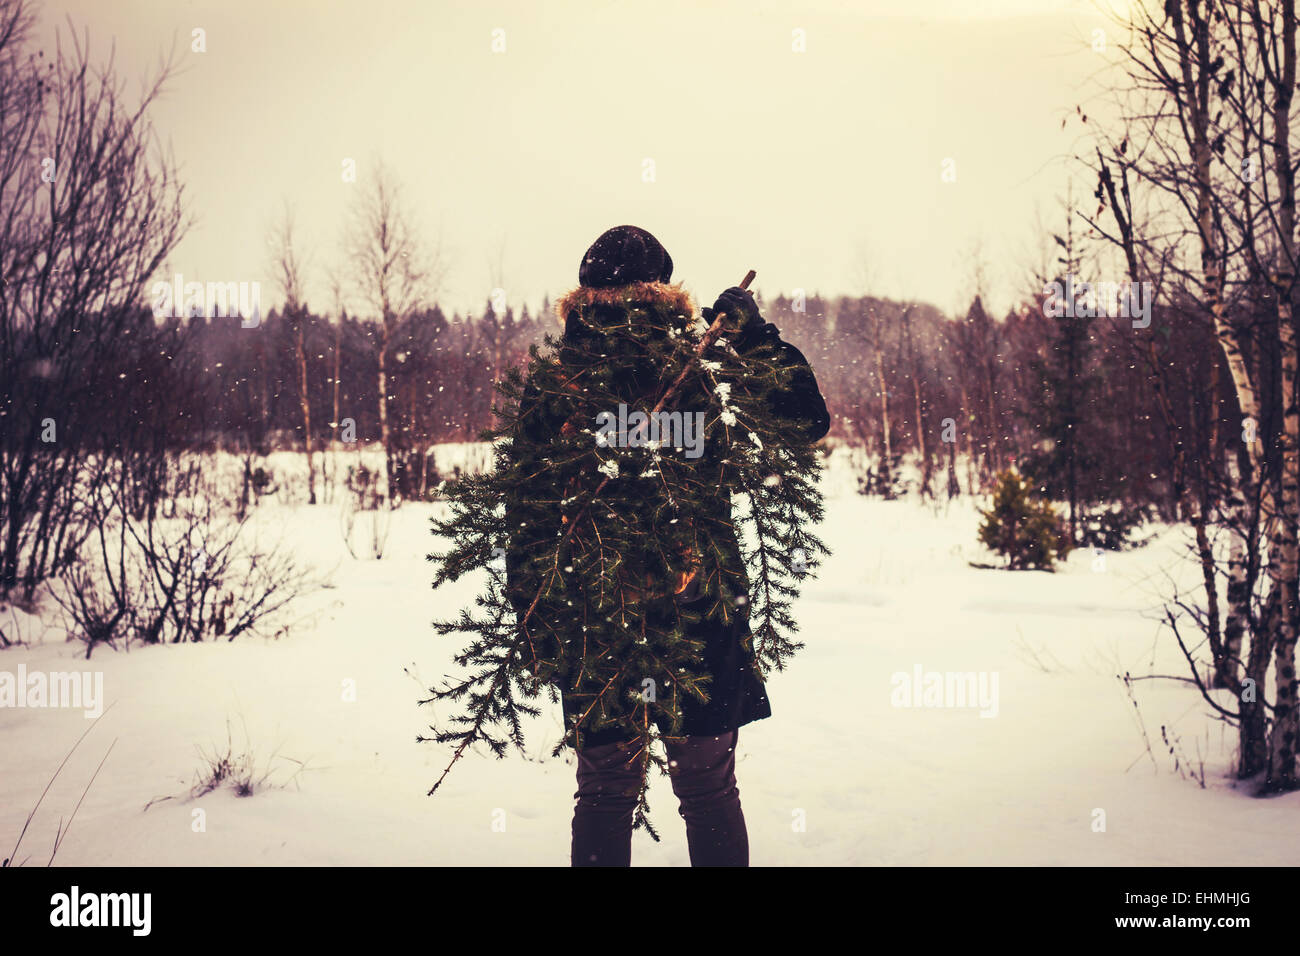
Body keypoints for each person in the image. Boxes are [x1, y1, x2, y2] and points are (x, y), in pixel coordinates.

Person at [507, 225, 829, 866]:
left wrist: (536, 617)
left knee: (605, 790)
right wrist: (756, 336)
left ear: (583, 295)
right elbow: (805, 419)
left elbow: (528, 514)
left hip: (598, 616)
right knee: (706, 787)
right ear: (668, 294)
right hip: (693, 611)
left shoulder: (576, 379)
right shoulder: (695, 368)